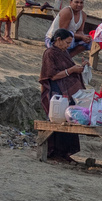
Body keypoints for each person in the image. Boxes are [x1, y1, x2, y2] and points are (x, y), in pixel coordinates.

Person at [38, 30, 85, 161]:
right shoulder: (50, 53)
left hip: (67, 91)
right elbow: (52, 75)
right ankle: (55, 152)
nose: (68, 46)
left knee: (69, 119)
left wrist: (81, 68)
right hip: (56, 91)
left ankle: (65, 153)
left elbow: (69, 68)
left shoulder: (63, 52)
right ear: (58, 39)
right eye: (67, 42)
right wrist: (71, 70)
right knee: (58, 119)